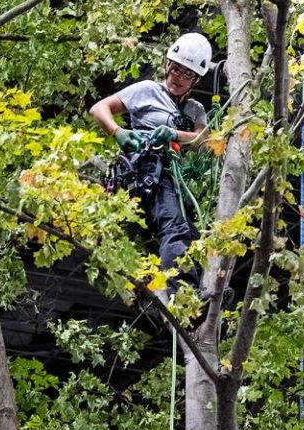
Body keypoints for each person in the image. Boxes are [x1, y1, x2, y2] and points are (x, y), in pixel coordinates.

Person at [90, 32, 212, 290]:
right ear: (168, 64)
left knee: (191, 236)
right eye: (176, 69)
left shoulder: (195, 110)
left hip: (175, 180)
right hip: (147, 170)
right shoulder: (147, 90)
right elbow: (99, 108)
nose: (178, 77)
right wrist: (119, 132)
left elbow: (206, 141)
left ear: (195, 80)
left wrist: (175, 134)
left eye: (186, 74)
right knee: (175, 229)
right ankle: (182, 293)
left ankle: (195, 294)